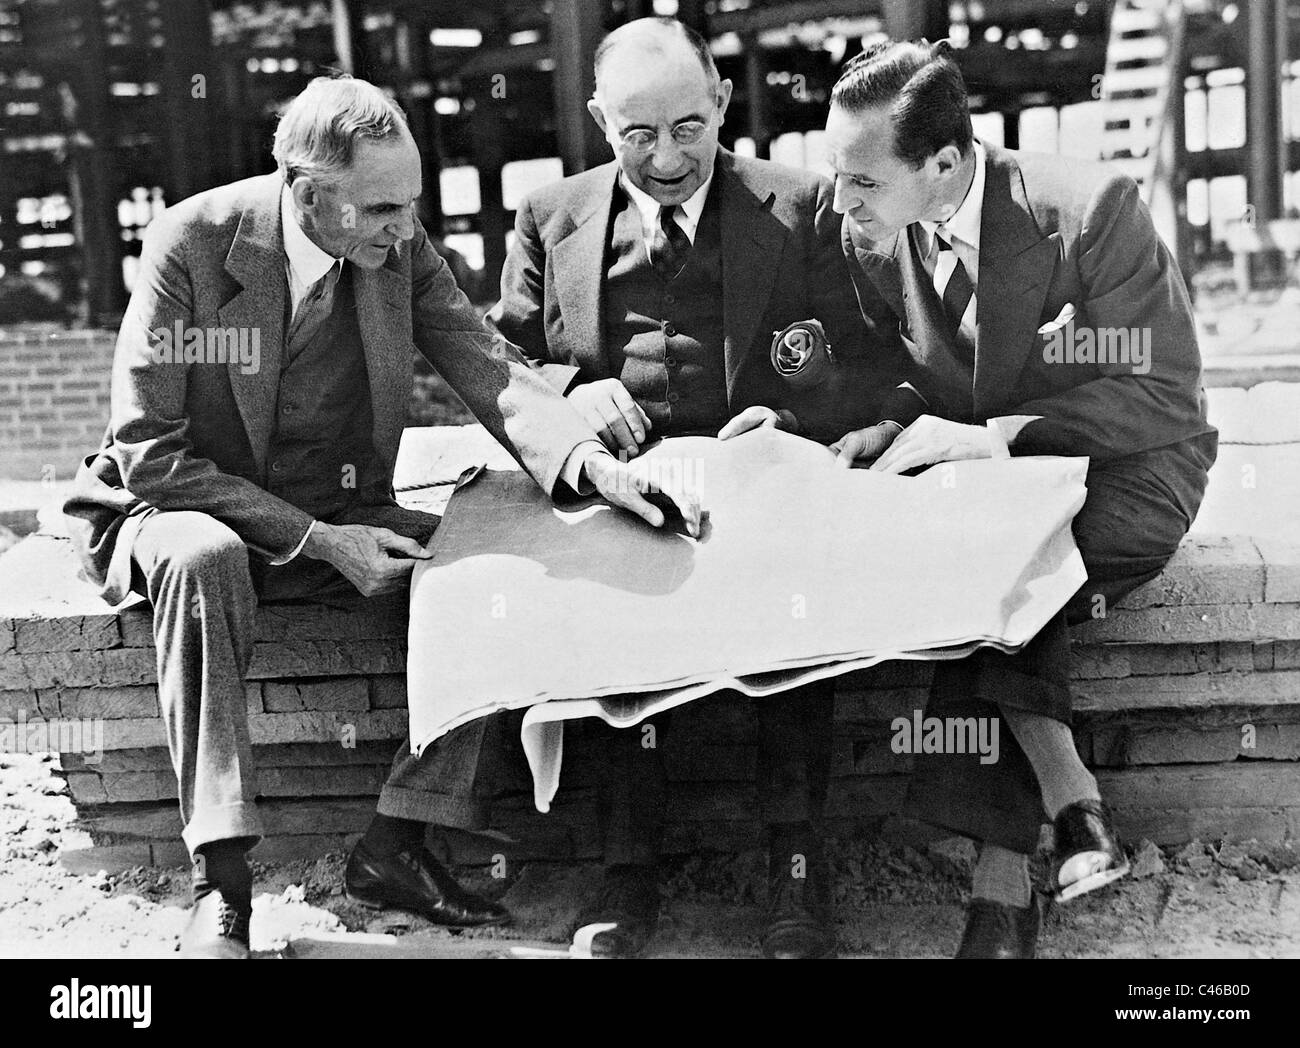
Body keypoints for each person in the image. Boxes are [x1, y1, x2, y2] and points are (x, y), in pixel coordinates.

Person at [62, 75, 698, 959]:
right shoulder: (193, 246)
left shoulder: (395, 245)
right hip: (173, 505)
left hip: (335, 503)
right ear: (306, 189)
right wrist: (318, 543)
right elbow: (151, 452)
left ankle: (398, 843)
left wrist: (590, 466)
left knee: (506, 559)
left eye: (411, 205)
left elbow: (487, 364)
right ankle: (222, 883)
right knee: (203, 557)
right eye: (382, 209)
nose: (405, 228)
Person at [488, 16, 909, 959]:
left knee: (792, 592)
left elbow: (872, 356)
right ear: (600, 121)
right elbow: (499, 365)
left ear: (722, 101)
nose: (669, 156)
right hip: (618, 490)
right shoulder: (548, 218)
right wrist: (571, 393)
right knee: (598, 598)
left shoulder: (800, 205)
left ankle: (798, 870)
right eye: (639, 134)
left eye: (689, 126)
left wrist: (795, 423)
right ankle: (625, 873)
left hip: (761, 484)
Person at [824, 39, 1217, 957]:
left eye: (863, 182)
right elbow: (904, 368)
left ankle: (1023, 855)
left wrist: (999, 436)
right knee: (988, 554)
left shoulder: (1092, 211)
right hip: (994, 489)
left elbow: (1164, 393)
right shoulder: (875, 234)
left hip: (1133, 468)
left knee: (1000, 568)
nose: (840, 203)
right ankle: (1061, 830)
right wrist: (892, 422)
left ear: (948, 163)